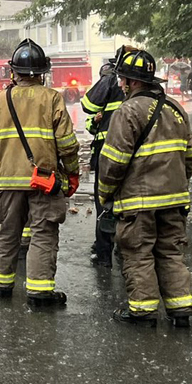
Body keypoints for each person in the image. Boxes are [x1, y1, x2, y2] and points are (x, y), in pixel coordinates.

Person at [96, 48, 192, 326]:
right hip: (174, 199)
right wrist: (178, 185)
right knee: (171, 252)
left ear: (132, 82)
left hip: (138, 201)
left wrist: (106, 194)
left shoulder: (127, 111)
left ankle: (142, 311)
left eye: (123, 80)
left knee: (138, 253)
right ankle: (180, 310)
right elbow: (189, 155)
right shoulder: (175, 108)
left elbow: (113, 162)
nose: (120, 84)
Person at [0, 38, 79, 306]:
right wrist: (72, 174)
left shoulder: (0, 100)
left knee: (7, 233)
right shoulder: (52, 98)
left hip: (9, 182)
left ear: (14, 72)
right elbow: (67, 144)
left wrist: (4, 166)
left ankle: (1, 285)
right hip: (44, 181)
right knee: (43, 233)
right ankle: (39, 291)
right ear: (42, 73)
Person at [79, 50, 132, 268]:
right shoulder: (144, 89)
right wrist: (95, 122)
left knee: (104, 201)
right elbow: (92, 122)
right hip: (133, 150)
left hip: (107, 151)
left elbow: (87, 105)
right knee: (128, 199)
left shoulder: (109, 81)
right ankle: (124, 248)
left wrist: (106, 80)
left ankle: (103, 254)